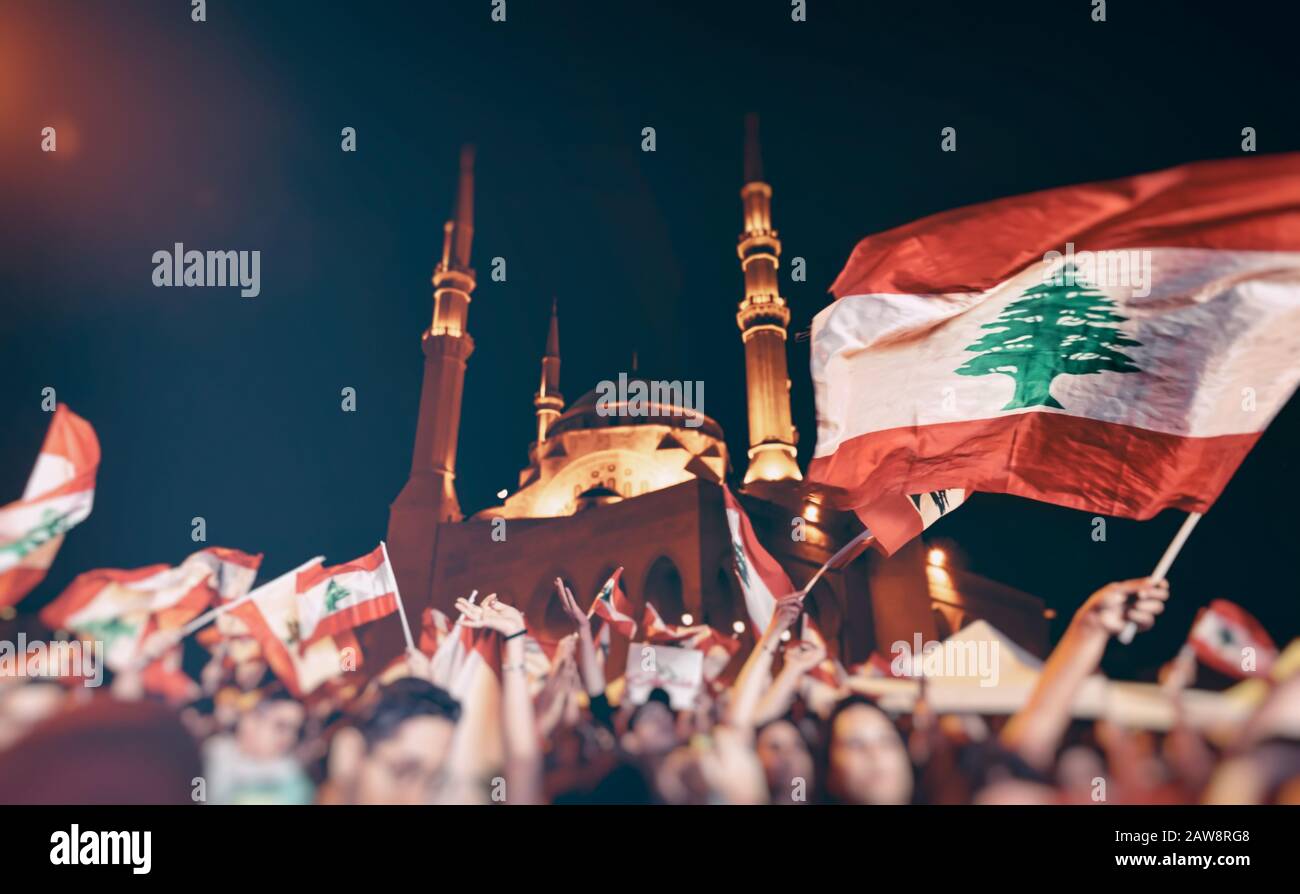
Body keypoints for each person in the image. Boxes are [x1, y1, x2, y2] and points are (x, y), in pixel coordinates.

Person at [202, 687, 313, 804]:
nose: (290, 738)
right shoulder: (210, 755)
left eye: (295, 730)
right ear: (250, 720)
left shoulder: (293, 783)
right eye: (281, 726)